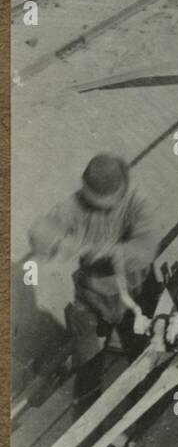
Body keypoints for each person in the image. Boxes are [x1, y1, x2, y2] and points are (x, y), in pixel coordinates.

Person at [28, 154, 156, 410]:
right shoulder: (74, 205)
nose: (97, 208)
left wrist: (111, 252)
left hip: (135, 296)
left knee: (142, 356)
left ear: (120, 190)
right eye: (92, 201)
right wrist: (65, 243)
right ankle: (86, 424)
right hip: (92, 300)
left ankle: (148, 410)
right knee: (88, 365)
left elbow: (145, 248)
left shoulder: (138, 202)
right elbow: (39, 232)